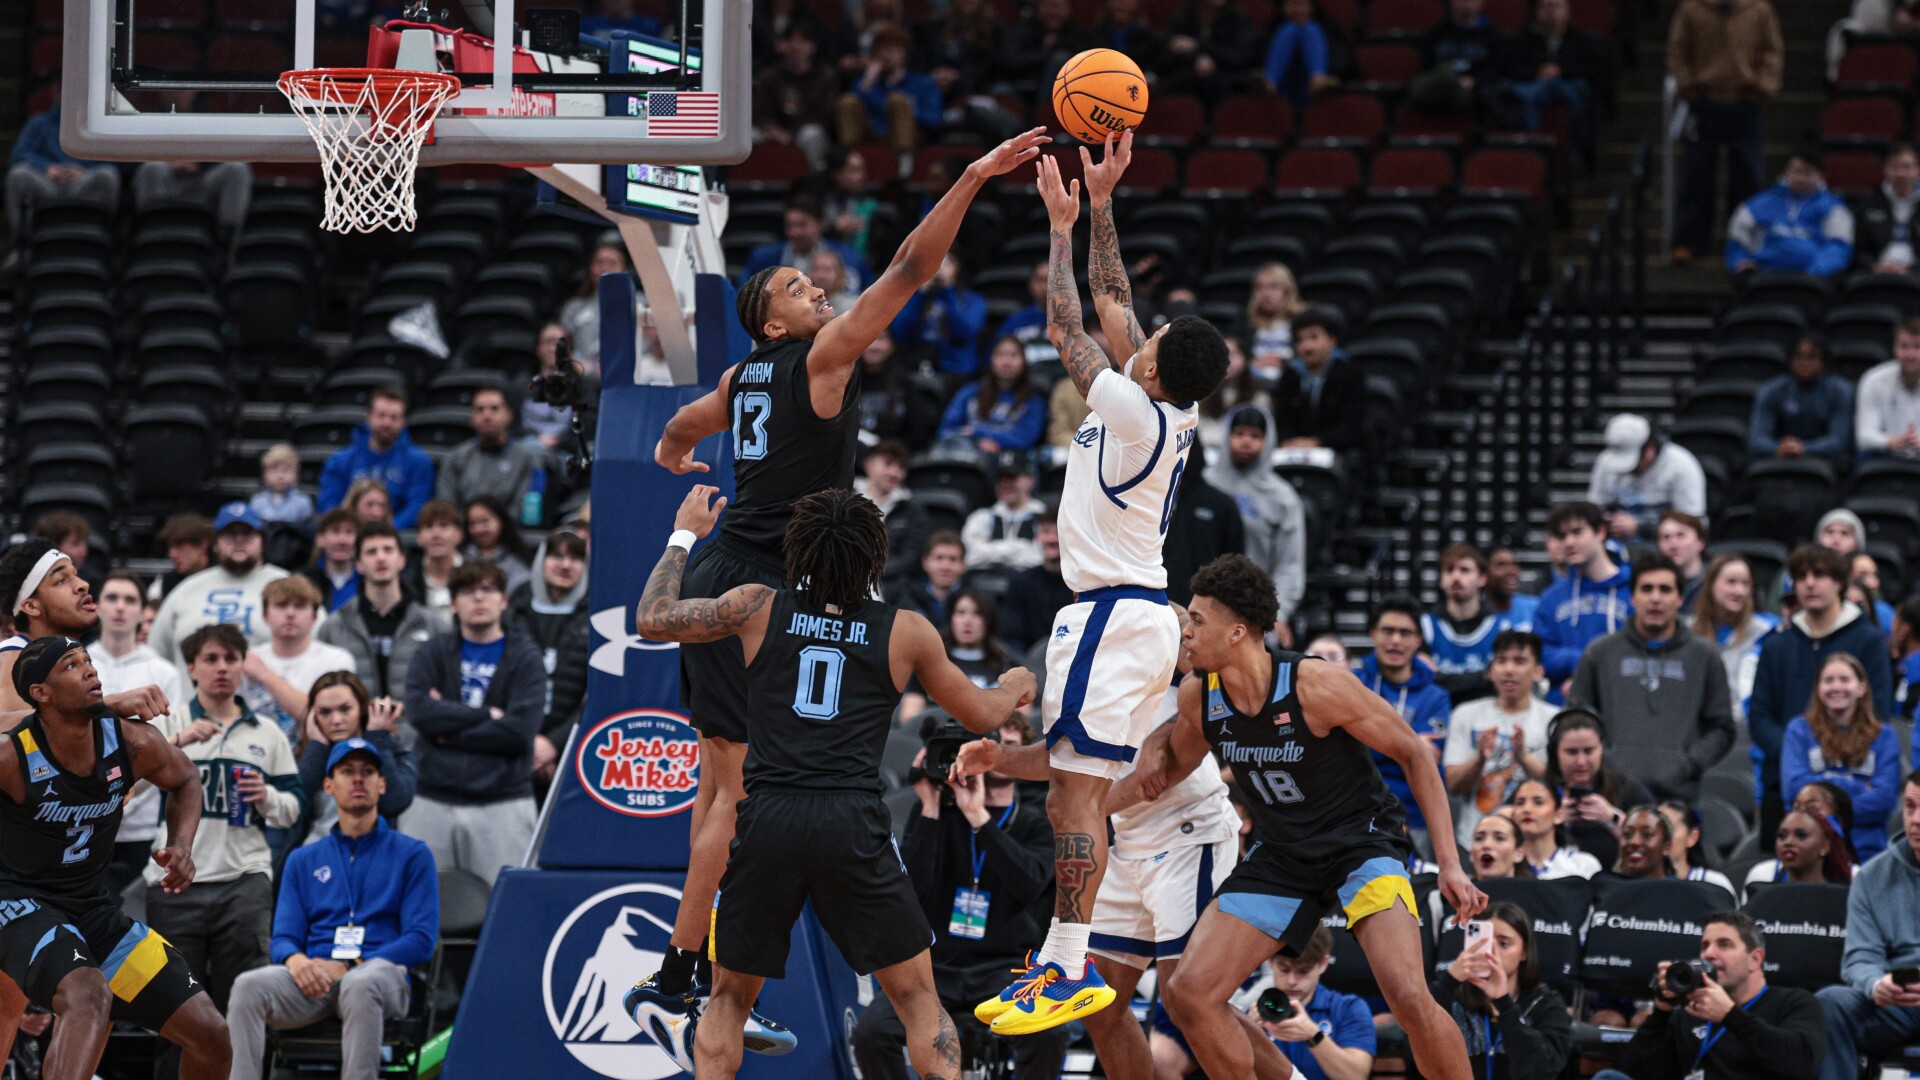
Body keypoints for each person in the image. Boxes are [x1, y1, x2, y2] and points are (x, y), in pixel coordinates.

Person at [635, 128, 1052, 1043]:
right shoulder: (821, 362)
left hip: (726, 567)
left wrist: (674, 453)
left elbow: (680, 424)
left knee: (722, 791)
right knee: (737, 790)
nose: (817, 285)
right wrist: (976, 174)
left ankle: (685, 970)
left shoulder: (745, 373)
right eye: (797, 287)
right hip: (760, 582)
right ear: (776, 323)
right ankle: (687, 975)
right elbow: (908, 267)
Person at [622, 486, 1039, 1076]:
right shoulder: (906, 631)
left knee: (728, 1000)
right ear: (875, 557)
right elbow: (984, 716)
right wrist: (1018, 684)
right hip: (851, 822)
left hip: (767, 818)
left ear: (795, 550)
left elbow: (652, 618)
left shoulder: (756, 605)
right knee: (919, 1000)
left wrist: (684, 534)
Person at [974, 143, 1231, 1035]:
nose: (1142, 335)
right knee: (1079, 787)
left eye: (1150, 344)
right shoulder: (1171, 405)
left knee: (1073, 798)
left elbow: (1067, 324)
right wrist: (1105, 205)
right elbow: (1116, 302)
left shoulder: (1130, 408)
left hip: (1111, 613)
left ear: (1152, 369)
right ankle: (1066, 956)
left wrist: (1057, 229)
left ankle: (1065, 961)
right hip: (1138, 613)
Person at [1126, 554, 1484, 1080]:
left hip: (1358, 844)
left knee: (1408, 995)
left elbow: (1413, 753)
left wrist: (1450, 864)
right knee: (1189, 993)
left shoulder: (1315, 684)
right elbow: (1167, 771)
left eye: (1198, 620)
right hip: (1283, 855)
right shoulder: (1200, 697)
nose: (1186, 631)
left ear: (1237, 632)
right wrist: (1075, 801)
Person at [952, 614, 1242, 1080]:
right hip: (1125, 840)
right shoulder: (1082, 666)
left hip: (1188, 836)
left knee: (1190, 1002)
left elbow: (1150, 779)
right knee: (1099, 1005)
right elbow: (1067, 763)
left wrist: (1079, 810)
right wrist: (1000, 758)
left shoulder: (1156, 633)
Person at [0, 636, 230, 1080]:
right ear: (40, 694)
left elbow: (185, 779)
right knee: (88, 993)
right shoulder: (13, 756)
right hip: (19, 903)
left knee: (211, 1033)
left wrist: (181, 844)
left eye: (88, 659)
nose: (90, 669)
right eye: (71, 665)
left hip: (92, 909)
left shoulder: (130, 740)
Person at [853, 718, 1067, 1080]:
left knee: (1051, 1034)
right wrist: (930, 805)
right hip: (934, 970)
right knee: (871, 1034)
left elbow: (1029, 885)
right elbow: (913, 893)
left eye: (1008, 747)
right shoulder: (937, 815)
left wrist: (977, 815)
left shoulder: (1035, 823)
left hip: (1007, 968)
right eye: (989, 747)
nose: (996, 757)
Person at [227, 738, 437, 1080]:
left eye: (368, 772)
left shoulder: (413, 854)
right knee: (248, 986)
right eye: (346, 772)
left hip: (380, 975)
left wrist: (349, 965)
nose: (358, 779)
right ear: (328, 785)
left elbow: (421, 939)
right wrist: (298, 963)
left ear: (381, 784)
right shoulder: (303, 859)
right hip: (315, 980)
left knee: (360, 984)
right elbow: (283, 938)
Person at [149, 624, 305, 1011]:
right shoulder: (169, 723)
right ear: (191, 668)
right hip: (175, 884)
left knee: (243, 1005)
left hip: (244, 882)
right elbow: (126, 787)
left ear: (242, 667)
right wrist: (176, 745)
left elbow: (294, 810)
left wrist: (266, 796)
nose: (222, 667)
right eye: (211, 659)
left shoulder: (267, 732)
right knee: (176, 1009)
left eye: (231, 659)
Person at [401, 561, 543, 887]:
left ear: (504, 600)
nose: (478, 598)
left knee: (509, 910)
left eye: (488, 590)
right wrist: (485, 715)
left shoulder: (526, 657)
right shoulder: (431, 652)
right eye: (467, 591)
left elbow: (519, 731)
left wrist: (446, 730)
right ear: (453, 603)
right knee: (424, 910)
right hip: (431, 799)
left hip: (503, 802)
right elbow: (420, 713)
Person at [1750, 544, 1894, 844]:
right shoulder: (1777, 645)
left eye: (1820, 574)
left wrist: (1832, 761)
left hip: (1855, 788)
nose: (1810, 583)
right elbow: (1760, 716)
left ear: (1839, 583)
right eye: (1801, 576)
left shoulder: (1868, 640)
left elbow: (1878, 709)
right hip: (1784, 788)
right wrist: (1796, 754)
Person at [1568, 553, 1736, 802]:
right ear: (1633, 597)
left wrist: (1688, 764)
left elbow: (1722, 728)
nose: (1655, 598)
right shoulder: (1600, 652)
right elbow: (1577, 718)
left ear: (1680, 599)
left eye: (1665, 589)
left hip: (1679, 799)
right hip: (1610, 797)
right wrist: (1607, 762)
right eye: (1647, 589)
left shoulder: (1705, 656)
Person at [1597, 911, 1825, 1080]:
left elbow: (1803, 1065)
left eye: (1724, 945)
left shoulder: (1794, 1002)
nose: (1709, 954)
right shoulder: (1691, 1010)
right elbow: (1636, 1073)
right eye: (1705, 946)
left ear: (1755, 960)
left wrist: (1730, 1015)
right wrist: (1661, 1011)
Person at [1153, 926, 1377, 1080]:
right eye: (1284, 969)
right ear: (1270, 962)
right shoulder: (1251, 1011)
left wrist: (1314, 1036)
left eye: (1303, 971)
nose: (1292, 980)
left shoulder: (1348, 1007)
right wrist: (1246, 1036)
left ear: (1323, 964)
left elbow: (1355, 1075)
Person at [89, 571, 191, 893]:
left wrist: (128, 795)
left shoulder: (164, 672)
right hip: (81, 817)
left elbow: (170, 751)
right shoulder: (77, 661)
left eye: (130, 599)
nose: (120, 607)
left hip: (142, 822)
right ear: (97, 606)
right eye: (112, 598)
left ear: (143, 610)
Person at [1814, 771, 1920, 1080]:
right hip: (1895, 1005)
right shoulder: (1873, 876)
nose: (1916, 820)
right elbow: (1860, 957)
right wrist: (1876, 985)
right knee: (1831, 1002)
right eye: (1911, 807)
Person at [1665, 0, 1782, 264]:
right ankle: (1688, 241)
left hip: (1745, 101)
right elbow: (1677, 50)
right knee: (1696, 175)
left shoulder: (1759, 9)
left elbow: (1771, 52)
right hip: (1703, 100)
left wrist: (1763, 85)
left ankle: (1746, 241)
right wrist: (1686, 84)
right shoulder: (1691, 8)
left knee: (1747, 174)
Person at [1780, 652, 1902, 863]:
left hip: (1868, 854)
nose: (1836, 687)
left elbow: (1884, 801)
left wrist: (1821, 796)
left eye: (1845, 679)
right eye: (1828, 680)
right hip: (1811, 854)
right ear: (1818, 689)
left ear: (1861, 688)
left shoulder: (1885, 736)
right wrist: (1859, 788)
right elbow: (1793, 790)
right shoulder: (1799, 730)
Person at [1431, 901, 1574, 1080]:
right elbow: (1414, 1050)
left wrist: (1504, 1004)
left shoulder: (1546, 1004)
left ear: (1524, 952)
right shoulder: (1452, 997)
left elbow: (1543, 1070)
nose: (1491, 951)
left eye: (1504, 944)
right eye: (1484, 942)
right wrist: (1447, 983)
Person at [1444, 630, 1555, 848]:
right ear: (1491, 670)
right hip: (1475, 843)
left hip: (1533, 843)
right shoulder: (1466, 714)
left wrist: (1523, 757)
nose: (1509, 669)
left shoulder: (1553, 719)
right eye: (1501, 661)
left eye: (1520, 661)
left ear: (1538, 671)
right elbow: (1454, 785)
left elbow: (1558, 786)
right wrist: (1479, 759)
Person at [1359, 595, 1452, 854]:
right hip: (1355, 813)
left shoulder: (1436, 696)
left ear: (1418, 641)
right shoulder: (1352, 684)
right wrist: (1409, 744)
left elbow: (1429, 756)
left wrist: (1366, 737)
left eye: (1405, 632)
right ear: (1373, 634)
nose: (1396, 640)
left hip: (1415, 815)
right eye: (1388, 631)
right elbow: (1342, 746)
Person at [1207, 406, 1307, 645]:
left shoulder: (1283, 498)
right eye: (1239, 434)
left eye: (1255, 436)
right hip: (1202, 604)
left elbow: (1289, 564)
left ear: (1267, 440)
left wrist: (1277, 614)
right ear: (1227, 436)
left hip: (1256, 609)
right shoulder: (1204, 487)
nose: (1246, 442)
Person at [146, 502, 290, 668]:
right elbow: (155, 658)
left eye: (247, 534)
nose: (238, 541)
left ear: (263, 542)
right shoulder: (186, 590)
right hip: (193, 693)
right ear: (215, 544)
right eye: (229, 535)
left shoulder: (287, 585)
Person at [316, 523, 447, 700]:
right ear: (358, 565)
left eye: (388, 550)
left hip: (416, 725)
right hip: (357, 726)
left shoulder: (433, 625)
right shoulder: (333, 627)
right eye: (371, 552)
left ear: (402, 560)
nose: (380, 558)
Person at [506, 530, 591, 788]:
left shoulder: (598, 613)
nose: (566, 565)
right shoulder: (515, 610)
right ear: (541, 559)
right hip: (512, 745)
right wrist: (527, 741)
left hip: (572, 752)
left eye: (576, 558)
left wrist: (554, 744)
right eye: (557, 556)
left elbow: (598, 693)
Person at [292, 671, 416, 845]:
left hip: (374, 853)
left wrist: (378, 737)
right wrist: (316, 749)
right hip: (315, 857)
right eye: (325, 712)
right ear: (313, 716)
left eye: (345, 709)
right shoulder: (303, 756)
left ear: (362, 709)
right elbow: (291, 810)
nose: (336, 720)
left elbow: (395, 802)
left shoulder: (392, 749)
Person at [240, 575, 357, 741]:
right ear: (265, 615)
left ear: (315, 617)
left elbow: (324, 719)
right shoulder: (245, 660)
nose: (290, 613)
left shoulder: (337, 660)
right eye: (281, 606)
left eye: (300, 606)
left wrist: (264, 675)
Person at [1534, 501, 1633, 693]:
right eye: (1562, 536)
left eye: (1577, 532)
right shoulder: (1551, 599)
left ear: (1601, 532)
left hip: (1623, 699)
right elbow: (1540, 655)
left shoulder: (1634, 590)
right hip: (1566, 707)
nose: (1569, 542)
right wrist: (1579, 661)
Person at [1495, 0, 1603, 163]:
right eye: (1545, 6)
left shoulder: (1583, 40)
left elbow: (1595, 71)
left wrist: (1560, 71)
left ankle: (1576, 145)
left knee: (1568, 87)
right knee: (1527, 89)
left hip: (1567, 86)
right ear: (1536, 11)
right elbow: (1508, 67)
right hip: (1534, 84)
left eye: (1555, 6)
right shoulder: (1524, 39)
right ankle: (1532, 146)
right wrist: (1537, 72)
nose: (1550, 11)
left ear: (1568, 11)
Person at [316, 386, 436, 529]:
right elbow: (329, 504)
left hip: (397, 538)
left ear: (403, 422)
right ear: (369, 417)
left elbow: (417, 506)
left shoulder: (419, 462)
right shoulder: (340, 460)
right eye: (381, 415)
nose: (386, 423)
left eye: (394, 417)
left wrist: (385, 532)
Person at [1544, 710, 1651, 870]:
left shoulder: (1627, 789)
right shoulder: (1539, 793)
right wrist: (1551, 822)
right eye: (1571, 752)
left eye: (1589, 751)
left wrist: (1612, 818)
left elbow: (1657, 843)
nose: (1581, 761)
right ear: (1555, 753)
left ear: (1602, 749)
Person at [1726, 150, 1856, 277]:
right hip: (1764, 275)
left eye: (1807, 172)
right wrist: (1740, 261)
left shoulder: (1834, 209)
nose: (1800, 178)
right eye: (1796, 171)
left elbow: (1838, 247)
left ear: (1820, 175)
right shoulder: (1757, 205)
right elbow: (1737, 241)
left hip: (1814, 280)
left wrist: (1814, 273)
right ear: (1786, 172)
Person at [3, 100, 120, 238]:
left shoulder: (95, 126)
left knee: (108, 174)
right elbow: (19, 154)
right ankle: (21, 243)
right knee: (18, 174)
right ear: (56, 91)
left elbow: (110, 157)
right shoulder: (39, 123)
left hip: (83, 182)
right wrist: (47, 168)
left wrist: (83, 169)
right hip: (47, 183)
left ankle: (104, 241)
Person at [435, 387, 550, 523]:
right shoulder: (454, 458)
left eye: (494, 409)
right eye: (480, 410)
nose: (487, 416)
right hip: (464, 533)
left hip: (512, 534)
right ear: (472, 417)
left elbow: (527, 510)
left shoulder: (529, 458)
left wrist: (494, 526)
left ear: (509, 415)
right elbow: (447, 506)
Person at [1587, 414, 1709, 542]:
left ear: (1650, 448)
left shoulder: (1681, 465)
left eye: (1633, 463)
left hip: (1664, 546)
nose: (1628, 470)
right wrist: (1607, 521)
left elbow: (1694, 525)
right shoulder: (1605, 462)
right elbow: (1595, 508)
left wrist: (1641, 527)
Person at [1422, 544, 1518, 704]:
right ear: (1441, 580)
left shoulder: (1502, 629)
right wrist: (1482, 677)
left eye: (1464, 570)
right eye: (1449, 570)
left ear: (1482, 578)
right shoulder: (1423, 626)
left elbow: (1499, 682)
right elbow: (1423, 679)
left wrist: (1443, 679)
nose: (1456, 576)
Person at [1269, 306, 1367, 459]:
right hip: (1293, 450)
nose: (1307, 347)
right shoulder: (1291, 375)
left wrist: (1316, 442)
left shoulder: (1350, 375)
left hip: (1338, 452)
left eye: (1314, 337)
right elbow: (1283, 420)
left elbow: (1351, 427)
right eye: (1300, 340)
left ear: (1332, 341)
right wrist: (1289, 441)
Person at [1693, 553, 1779, 724]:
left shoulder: (1767, 631)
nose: (1739, 591)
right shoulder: (1688, 632)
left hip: (1747, 728)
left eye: (1745, 584)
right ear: (1711, 584)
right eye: (1731, 582)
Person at [835, 22, 943, 154]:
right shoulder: (867, 82)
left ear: (905, 54)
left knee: (897, 100)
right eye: (883, 49)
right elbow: (851, 109)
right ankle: (848, 158)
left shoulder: (923, 82)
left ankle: (904, 164)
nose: (888, 55)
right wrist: (868, 80)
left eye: (895, 50)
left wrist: (910, 111)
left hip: (910, 137)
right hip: (872, 133)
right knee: (847, 101)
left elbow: (933, 119)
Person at [1749, 334, 1855, 466]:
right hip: (1779, 457)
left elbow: (1839, 440)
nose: (1805, 363)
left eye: (1811, 358)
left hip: (1825, 460)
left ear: (1823, 361)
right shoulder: (1771, 390)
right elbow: (1757, 440)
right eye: (1799, 357)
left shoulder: (1840, 391)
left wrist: (1804, 448)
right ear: (1790, 360)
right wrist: (1779, 448)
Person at [738, 196, 872, 294]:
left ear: (820, 224)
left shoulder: (850, 257)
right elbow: (743, 299)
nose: (794, 232)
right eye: (789, 225)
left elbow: (871, 296)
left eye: (802, 225)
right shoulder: (763, 259)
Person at [939, 336, 1048, 452]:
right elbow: (945, 431)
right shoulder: (970, 392)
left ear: (1024, 361)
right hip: (966, 454)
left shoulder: (1034, 400)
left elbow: (1024, 439)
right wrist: (977, 443)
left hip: (1010, 459)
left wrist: (977, 433)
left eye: (1014, 355)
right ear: (991, 359)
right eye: (1000, 355)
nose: (1006, 362)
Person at [890, 252, 990, 380]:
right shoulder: (916, 297)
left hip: (956, 371)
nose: (940, 268)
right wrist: (921, 293)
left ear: (957, 267)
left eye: (946, 262)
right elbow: (899, 332)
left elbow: (964, 333)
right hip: (914, 367)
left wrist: (948, 290)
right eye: (936, 262)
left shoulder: (973, 300)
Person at [753, 22, 837, 171]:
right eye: (791, 40)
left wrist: (791, 134)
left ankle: (813, 184)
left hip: (804, 131)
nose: (796, 47)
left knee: (811, 135)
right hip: (772, 131)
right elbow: (759, 111)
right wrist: (772, 129)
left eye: (803, 41)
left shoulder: (825, 78)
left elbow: (823, 115)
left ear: (812, 47)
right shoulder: (768, 77)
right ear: (781, 45)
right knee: (749, 136)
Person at [854, 440, 930, 583]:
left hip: (889, 585)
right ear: (869, 465)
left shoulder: (912, 510)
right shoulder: (846, 498)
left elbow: (911, 556)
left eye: (901, 467)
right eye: (888, 464)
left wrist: (875, 573)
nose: (895, 472)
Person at [1414, 0, 1506, 115]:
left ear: (1481, 2)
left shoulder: (1492, 37)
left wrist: (1474, 81)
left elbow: (1496, 69)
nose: (1466, 4)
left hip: (1474, 91)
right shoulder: (1435, 34)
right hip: (1439, 87)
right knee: (1438, 77)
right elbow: (1426, 66)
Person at [961, 455, 1048, 573]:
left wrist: (991, 550)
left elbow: (1042, 558)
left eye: (1012, 478)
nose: (1005, 484)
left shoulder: (1045, 517)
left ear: (1031, 481)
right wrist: (1020, 548)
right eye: (1001, 479)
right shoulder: (980, 517)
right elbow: (970, 557)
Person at [1507, 778, 1604, 879]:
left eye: (1538, 802)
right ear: (1512, 815)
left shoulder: (1583, 864)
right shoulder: (1503, 864)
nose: (1526, 809)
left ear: (1558, 816)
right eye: (1520, 803)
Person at [558, 243, 631, 374]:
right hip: (583, 375)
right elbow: (565, 346)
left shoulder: (638, 305)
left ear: (624, 269)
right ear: (590, 268)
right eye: (599, 262)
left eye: (612, 263)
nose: (605, 268)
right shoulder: (574, 308)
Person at [1742, 808, 1852, 895]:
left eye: (1801, 835)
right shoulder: (1760, 895)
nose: (1788, 842)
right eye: (1782, 836)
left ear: (1825, 846)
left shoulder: (1843, 898)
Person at [1855, 316, 1920, 461]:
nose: (1911, 355)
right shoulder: (1873, 379)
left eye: (1917, 347)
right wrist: (1889, 442)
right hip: (1886, 455)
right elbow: (1863, 436)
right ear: (1894, 349)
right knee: (1863, 456)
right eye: (1904, 346)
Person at [1852, 143, 1920, 273]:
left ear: (1918, 170)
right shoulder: (1867, 206)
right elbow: (1857, 250)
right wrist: (1874, 266)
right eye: (1894, 167)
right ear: (1885, 169)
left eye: (1906, 167)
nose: (1900, 173)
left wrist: (1911, 270)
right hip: (1875, 274)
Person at [1657, 800, 1739, 901]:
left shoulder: (1714, 884)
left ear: (1692, 837)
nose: (1660, 836)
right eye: (1652, 831)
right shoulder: (1639, 882)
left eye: (1669, 828)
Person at [1262, 0, 1338, 108]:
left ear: (1312, 7)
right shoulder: (1271, 28)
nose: (1297, 10)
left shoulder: (1327, 28)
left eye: (1302, 5)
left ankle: (1318, 79)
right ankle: (1270, 83)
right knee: (1288, 30)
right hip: (1282, 85)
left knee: (1310, 29)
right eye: (1293, 5)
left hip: (1313, 87)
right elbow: (1255, 54)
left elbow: (1342, 59)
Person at [1234, 263, 1309, 371]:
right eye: (1260, 287)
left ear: (1287, 291)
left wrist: (1283, 362)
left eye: (1273, 287)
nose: (1266, 294)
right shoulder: (1244, 321)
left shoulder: (1304, 319)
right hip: (1252, 383)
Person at [402, 498, 465, 619]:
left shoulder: (475, 576)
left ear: (458, 535)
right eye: (428, 526)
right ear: (419, 537)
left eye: (444, 526)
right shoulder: (405, 580)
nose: (436, 534)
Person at [890, 531, 969, 625]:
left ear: (963, 565)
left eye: (953, 559)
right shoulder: (908, 598)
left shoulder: (975, 601)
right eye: (939, 558)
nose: (945, 566)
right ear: (925, 562)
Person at [462, 496, 533, 597]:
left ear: (501, 521)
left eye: (485, 521)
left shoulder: (518, 566)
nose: (478, 529)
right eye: (472, 523)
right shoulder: (459, 558)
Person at [304, 508, 362, 613]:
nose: (342, 540)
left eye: (349, 532)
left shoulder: (368, 581)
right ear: (320, 539)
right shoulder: (305, 580)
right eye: (335, 531)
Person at [151, 513, 214, 603]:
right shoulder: (168, 582)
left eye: (179, 545)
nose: (172, 554)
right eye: (169, 547)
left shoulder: (225, 574)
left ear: (203, 544)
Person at [249, 443, 314, 528]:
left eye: (286, 470)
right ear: (264, 476)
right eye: (274, 470)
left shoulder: (303, 502)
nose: (280, 476)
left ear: (296, 475)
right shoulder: (257, 502)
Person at [1657, 510, 1710, 611]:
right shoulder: (1652, 586)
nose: (1673, 544)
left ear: (1700, 543)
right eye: (1666, 537)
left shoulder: (1716, 582)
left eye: (1680, 535)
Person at [1485, 547, 1540, 630]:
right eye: (1501, 565)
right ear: (1484, 573)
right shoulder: (1473, 613)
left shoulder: (1535, 608)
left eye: (1514, 564)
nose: (1511, 571)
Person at [1466, 812, 1532, 880]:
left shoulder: (1535, 889)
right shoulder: (1456, 890)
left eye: (1499, 838)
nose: (1486, 844)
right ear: (1471, 854)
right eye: (1479, 838)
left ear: (1519, 854)